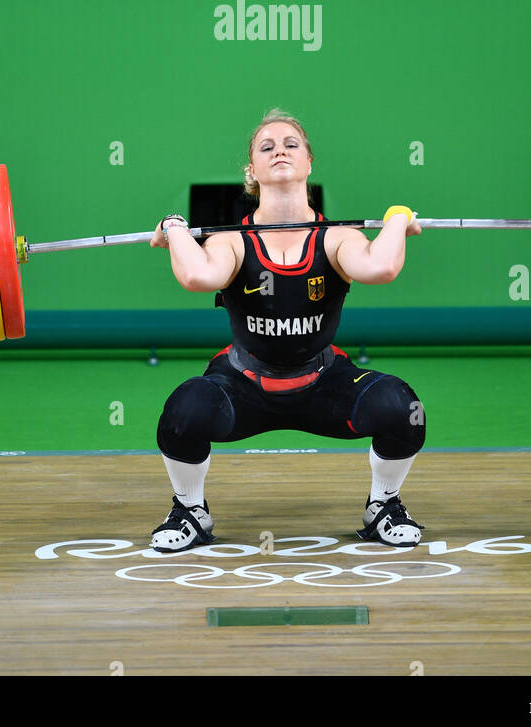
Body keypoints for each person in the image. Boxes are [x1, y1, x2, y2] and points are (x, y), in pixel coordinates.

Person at [148, 108, 425, 552]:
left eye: (291, 144)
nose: (280, 151)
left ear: (309, 162)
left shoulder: (336, 238)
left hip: (323, 383)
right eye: (267, 147)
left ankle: (383, 505)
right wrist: (176, 229)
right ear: (251, 170)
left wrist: (396, 218)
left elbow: (381, 267)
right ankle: (190, 511)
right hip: (243, 385)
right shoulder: (230, 241)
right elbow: (198, 276)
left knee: (402, 407)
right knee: (184, 410)